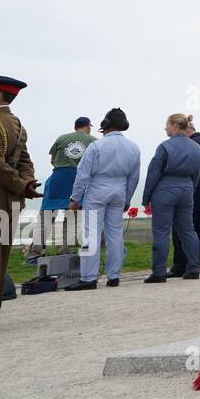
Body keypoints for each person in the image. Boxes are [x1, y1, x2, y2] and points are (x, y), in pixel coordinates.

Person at [65, 108, 140, 291]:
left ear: (105, 125)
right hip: (120, 191)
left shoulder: (96, 146)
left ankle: (89, 277)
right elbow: (134, 177)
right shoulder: (133, 147)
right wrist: (127, 198)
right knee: (115, 233)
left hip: (97, 190)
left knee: (91, 233)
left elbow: (83, 175)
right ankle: (114, 276)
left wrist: (75, 198)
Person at [0, 76, 40, 328]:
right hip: (10, 202)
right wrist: (27, 183)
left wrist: (22, 185)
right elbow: (24, 161)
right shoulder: (16, 124)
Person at [140, 113, 200, 283]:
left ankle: (159, 272)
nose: (165, 128)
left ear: (175, 126)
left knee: (161, 231)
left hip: (165, 188)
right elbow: (197, 173)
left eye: (167, 125)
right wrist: (191, 189)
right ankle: (193, 268)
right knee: (188, 230)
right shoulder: (197, 147)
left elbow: (154, 173)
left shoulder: (165, 147)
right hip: (187, 189)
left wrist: (146, 198)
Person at [28, 116, 95, 257]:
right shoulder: (93, 141)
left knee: (46, 216)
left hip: (57, 178)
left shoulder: (61, 138)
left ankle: (34, 253)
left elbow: (53, 160)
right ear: (88, 127)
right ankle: (64, 251)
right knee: (72, 217)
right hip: (78, 180)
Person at [170, 116, 200, 278]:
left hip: (192, 195)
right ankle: (191, 265)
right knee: (195, 232)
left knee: (182, 232)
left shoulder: (194, 144)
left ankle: (182, 266)